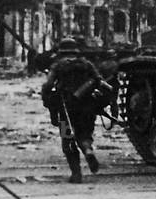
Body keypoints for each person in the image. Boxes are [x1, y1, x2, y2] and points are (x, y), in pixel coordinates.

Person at [42, 37, 108, 183]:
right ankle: (88, 150)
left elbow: (48, 85)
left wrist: (49, 102)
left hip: (65, 109)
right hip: (87, 107)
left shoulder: (58, 65)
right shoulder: (87, 64)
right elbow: (99, 81)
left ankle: (76, 174)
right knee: (84, 135)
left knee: (67, 139)